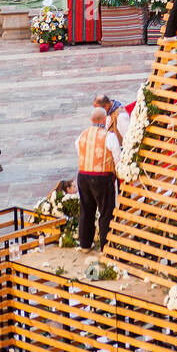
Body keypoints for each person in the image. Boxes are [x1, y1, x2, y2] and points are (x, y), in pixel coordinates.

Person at [75, 107, 121, 250]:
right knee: (106, 212)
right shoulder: (109, 136)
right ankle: (106, 246)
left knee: (86, 210)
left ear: (91, 120)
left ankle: (85, 244)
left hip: (83, 175)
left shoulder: (82, 134)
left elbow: (79, 151)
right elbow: (117, 158)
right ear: (104, 119)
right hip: (102, 177)